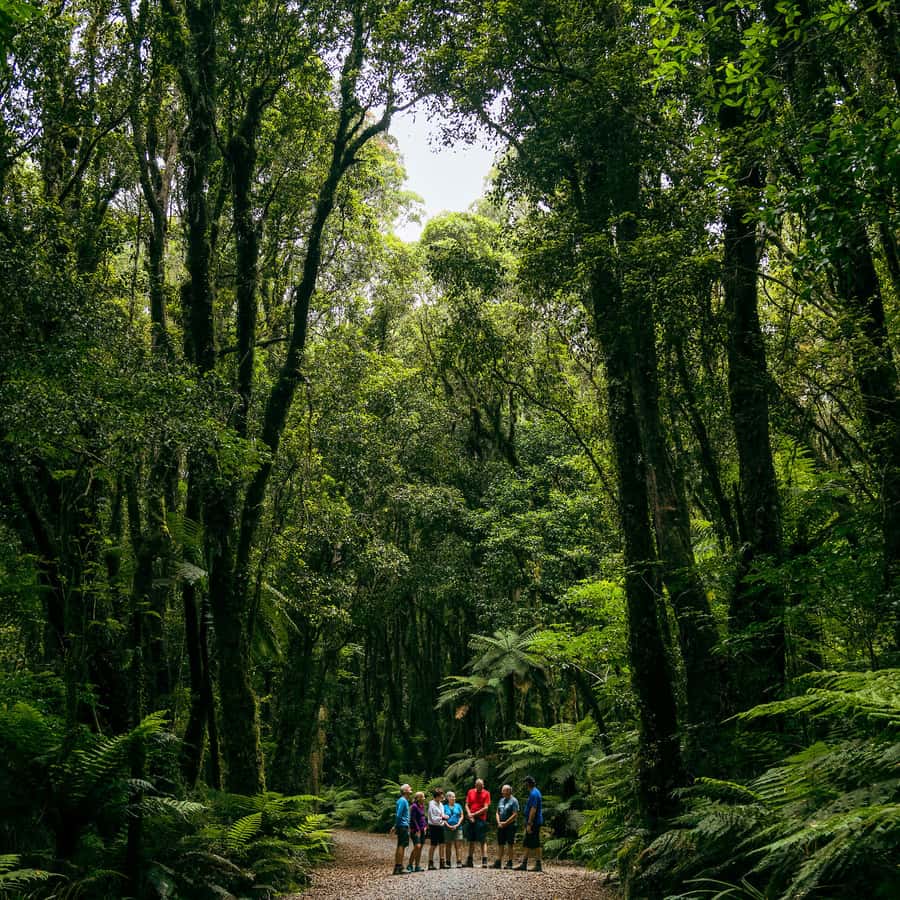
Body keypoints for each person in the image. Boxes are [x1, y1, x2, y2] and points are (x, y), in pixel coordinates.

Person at [515, 775, 543, 872]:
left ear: (527, 784)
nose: (524, 785)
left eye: (525, 783)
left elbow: (533, 809)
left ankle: (538, 865)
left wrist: (529, 824)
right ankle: (524, 864)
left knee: (536, 843)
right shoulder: (534, 792)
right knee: (527, 842)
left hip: (534, 822)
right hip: (532, 822)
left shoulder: (534, 794)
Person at [464, 776, 491, 868]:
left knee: (482, 840)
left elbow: (486, 808)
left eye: (482, 785)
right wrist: (469, 814)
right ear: (476, 785)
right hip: (471, 819)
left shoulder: (486, 793)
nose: (481, 787)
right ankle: (470, 860)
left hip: (481, 819)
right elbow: (467, 805)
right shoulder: (470, 792)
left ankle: (484, 860)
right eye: (479, 785)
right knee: (471, 840)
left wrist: (474, 814)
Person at [492, 783, 519, 868]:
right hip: (501, 825)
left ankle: (510, 862)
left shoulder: (514, 801)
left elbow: (515, 814)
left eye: (503, 790)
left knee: (510, 844)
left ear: (508, 791)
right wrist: (499, 822)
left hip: (510, 826)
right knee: (501, 843)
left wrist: (506, 822)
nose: (502, 792)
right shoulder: (501, 800)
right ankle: (498, 861)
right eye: (502, 790)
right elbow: (497, 812)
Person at [390, 783, 411, 875]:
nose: (411, 789)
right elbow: (398, 814)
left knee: (400, 845)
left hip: (402, 825)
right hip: (402, 825)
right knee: (401, 845)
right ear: (405, 791)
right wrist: (396, 825)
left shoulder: (403, 800)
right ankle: (399, 866)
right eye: (409, 788)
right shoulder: (403, 801)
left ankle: (398, 866)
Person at [427, 787, 448, 869]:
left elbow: (441, 815)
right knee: (433, 844)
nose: (442, 797)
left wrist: (444, 817)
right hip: (434, 826)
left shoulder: (441, 804)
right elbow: (432, 818)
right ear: (436, 796)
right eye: (441, 795)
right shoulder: (432, 805)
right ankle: (430, 863)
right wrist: (443, 818)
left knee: (442, 844)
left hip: (441, 825)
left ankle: (442, 862)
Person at [442, 790, 465, 868]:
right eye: (452, 797)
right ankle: (448, 862)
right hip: (447, 828)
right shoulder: (444, 807)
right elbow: (442, 817)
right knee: (448, 845)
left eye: (454, 797)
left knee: (458, 846)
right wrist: (448, 825)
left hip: (458, 828)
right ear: (448, 798)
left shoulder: (458, 805)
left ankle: (459, 861)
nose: (454, 798)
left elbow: (462, 815)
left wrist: (458, 824)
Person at [409, 791, 427, 872]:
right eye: (423, 797)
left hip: (423, 829)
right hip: (415, 830)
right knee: (417, 846)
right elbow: (413, 819)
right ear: (419, 798)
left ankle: (417, 866)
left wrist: (425, 826)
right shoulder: (414, 806)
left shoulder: (422, 806)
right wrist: (418, 829)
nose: (424, 798)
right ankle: (409, 865)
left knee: (420, 848)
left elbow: (423, 817)